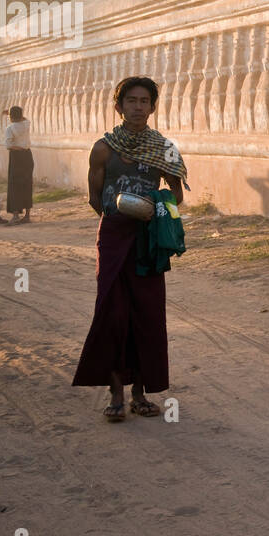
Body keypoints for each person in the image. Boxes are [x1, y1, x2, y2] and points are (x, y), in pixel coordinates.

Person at [73, 76, 186, 422]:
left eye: (144, 101)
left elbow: (177, 196)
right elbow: (94, 198)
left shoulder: (164, 148)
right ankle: (115, 395)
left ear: (153, 107)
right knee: (113, 313)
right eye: (131, 101)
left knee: (146, 314)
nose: (138, 107)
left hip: (148, 239)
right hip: (113, 237)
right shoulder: (104, 148)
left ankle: (139, 395)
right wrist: (117, 217)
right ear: (118, 106)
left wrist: (154, 206)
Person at [4, 105, 34, 225]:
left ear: (11, 117)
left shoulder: (10, 128)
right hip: (27, 155)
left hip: (16, 157)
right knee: (27, 183)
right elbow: (25, 119)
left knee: (14, 184)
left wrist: (18, 148)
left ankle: (15, 214)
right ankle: (27, 215)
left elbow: (9, 145)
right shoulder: (26, 124)